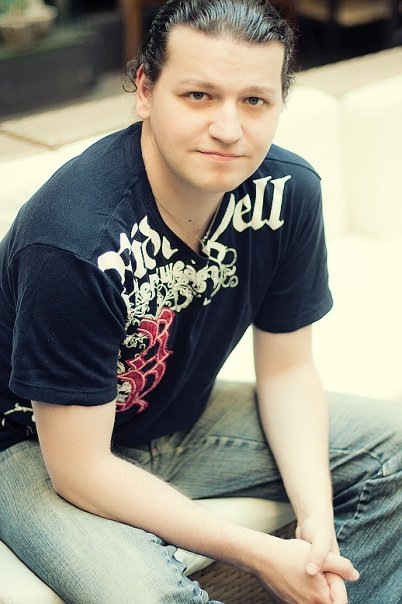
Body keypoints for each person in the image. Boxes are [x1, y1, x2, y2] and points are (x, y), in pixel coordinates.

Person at [0, 1, 401, 602]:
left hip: (175, 415)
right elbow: (80, 469)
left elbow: (288, 370)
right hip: (37, 447)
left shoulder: (288, 193)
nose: (229, 128)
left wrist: (316, 525)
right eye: (198, 96)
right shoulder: (75, 240)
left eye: (255, 100)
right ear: (144, 90)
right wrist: (260, 553)